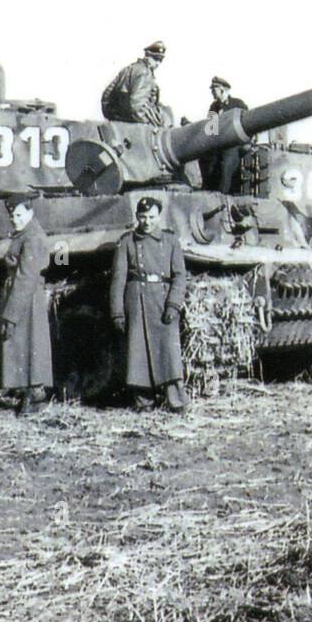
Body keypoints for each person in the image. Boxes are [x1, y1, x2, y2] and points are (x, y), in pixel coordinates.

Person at [110, 197, 189, 413]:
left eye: (152, 217)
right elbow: (118, 279)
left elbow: (180, 276)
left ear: (159, 216)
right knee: (139, 352)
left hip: (163, 300)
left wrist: (173, 304)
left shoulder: (170, 240)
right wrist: (117, 312)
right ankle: (143, 401)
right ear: (137, 216)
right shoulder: (127, 241)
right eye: (143, 217)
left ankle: (176, 400)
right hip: (137, 300)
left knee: (168, 353)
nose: (147, 222)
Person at [0, 195, 52, 415]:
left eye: (19, 215)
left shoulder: (32, 237)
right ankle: (29, 394)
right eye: (12, 215)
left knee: (27, 344)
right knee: (23, 345)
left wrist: (11, 314)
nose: (14, 219)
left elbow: (26, 276)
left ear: (30, 212)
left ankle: (35, 396)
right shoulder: (26, 233)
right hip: (22, 294)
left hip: (26, 297)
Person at [202, 76, 250, 192]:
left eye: (214, 90)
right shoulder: (214, 107)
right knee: (207, 162)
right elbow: (211, 129)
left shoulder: (237, 104)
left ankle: (223, 195)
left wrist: (248, 142)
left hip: (233, 145)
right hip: (217, 145)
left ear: (222, 89)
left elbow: (249, 124)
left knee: (226, 166)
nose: (212, 93)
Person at [102, 41, 168, 126]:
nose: (158, 63)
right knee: (167, 114)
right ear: (147, 56)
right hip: (136, 123)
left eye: (160, 60)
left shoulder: (128, 69)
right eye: (155, 59)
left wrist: (112, 116)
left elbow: (107, 95)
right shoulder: (145, 72)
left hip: (118, 120)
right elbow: (136, 105)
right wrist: (149, 124)